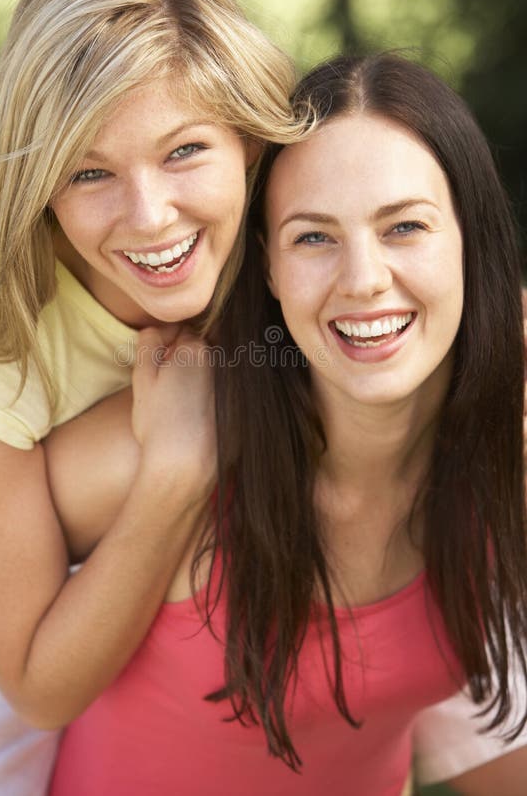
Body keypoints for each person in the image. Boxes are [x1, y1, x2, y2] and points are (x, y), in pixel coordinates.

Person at [47, 54, 527, 796]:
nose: (364, 278)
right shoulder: (160, 444)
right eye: (313, 238)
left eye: (404, 227)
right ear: (267, 269)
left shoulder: (499, 455)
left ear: (470, 240)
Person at [0, 0, 309, 795]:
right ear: (37, 193)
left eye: (184, 151)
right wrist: (173, 470)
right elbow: (35, 684)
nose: (150, 216)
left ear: (248, 140)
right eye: (89, 173)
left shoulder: (295, 223)